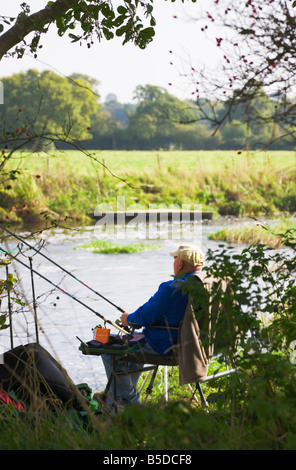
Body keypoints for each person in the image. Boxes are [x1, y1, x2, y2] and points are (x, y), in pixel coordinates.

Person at [100, 244, 205, 412]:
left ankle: (131, 405)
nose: (173, 263)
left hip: (167, 347)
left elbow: (144, 317)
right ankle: (122, 401)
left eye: (174, 259)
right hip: (199, 347)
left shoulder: (172, 288)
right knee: (134, 347)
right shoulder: (209, 283)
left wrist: (128, 319)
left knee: (107, 349)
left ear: (179, 264)